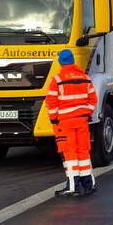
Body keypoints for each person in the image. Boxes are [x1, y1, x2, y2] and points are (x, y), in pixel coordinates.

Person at [45, 49, 98, 196]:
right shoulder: (85, 78)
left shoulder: (57, 80)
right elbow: (92, 100)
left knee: (70, 154)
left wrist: (53, 118)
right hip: (82, 122)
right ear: (72, 61)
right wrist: (86, 113)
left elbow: (51, 102)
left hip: (65, 123)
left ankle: (73, 186)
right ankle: (89, 184)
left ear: (61, 62)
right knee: (83, 152)